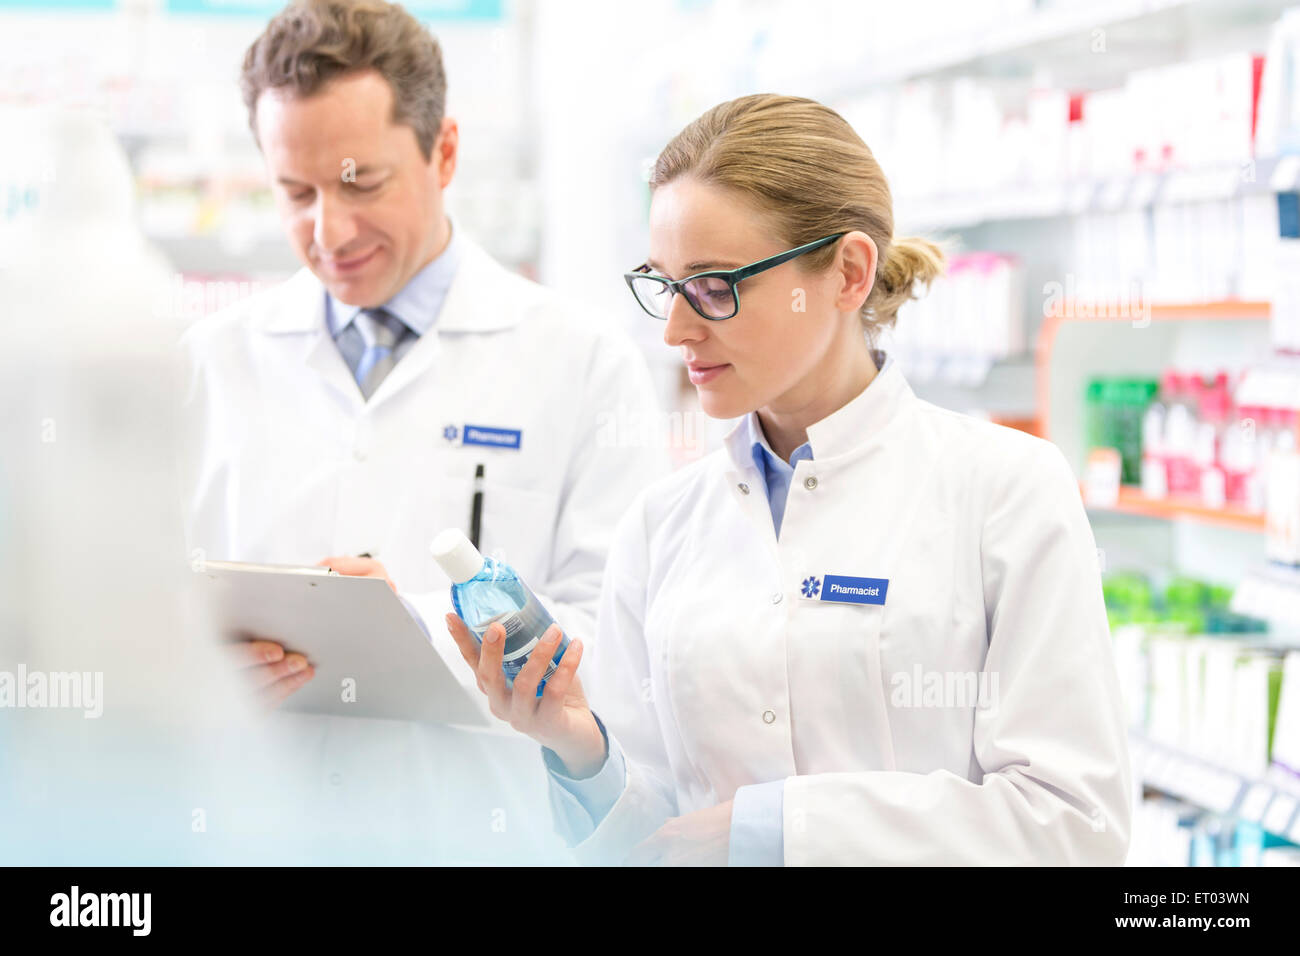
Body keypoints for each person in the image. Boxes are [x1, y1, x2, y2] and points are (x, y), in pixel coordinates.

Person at [444, 93, 1133, 866]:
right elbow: (656, 835)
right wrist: (579, 747)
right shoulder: (662, 522)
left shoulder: (1005, 490)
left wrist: (781, 832)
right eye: (665, 285)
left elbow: (1075, 827)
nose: (675, 330)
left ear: (847, 272)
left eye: (713, 287)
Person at [180, 0, 666, 864]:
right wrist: (193, 664)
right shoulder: (211, 361)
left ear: (444, 152)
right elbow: (146, 608)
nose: (329, 232)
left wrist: (402, 626)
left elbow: (617, 648)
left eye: (360, 182)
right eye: (297, 193)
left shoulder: (583, 363)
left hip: (467, 837)